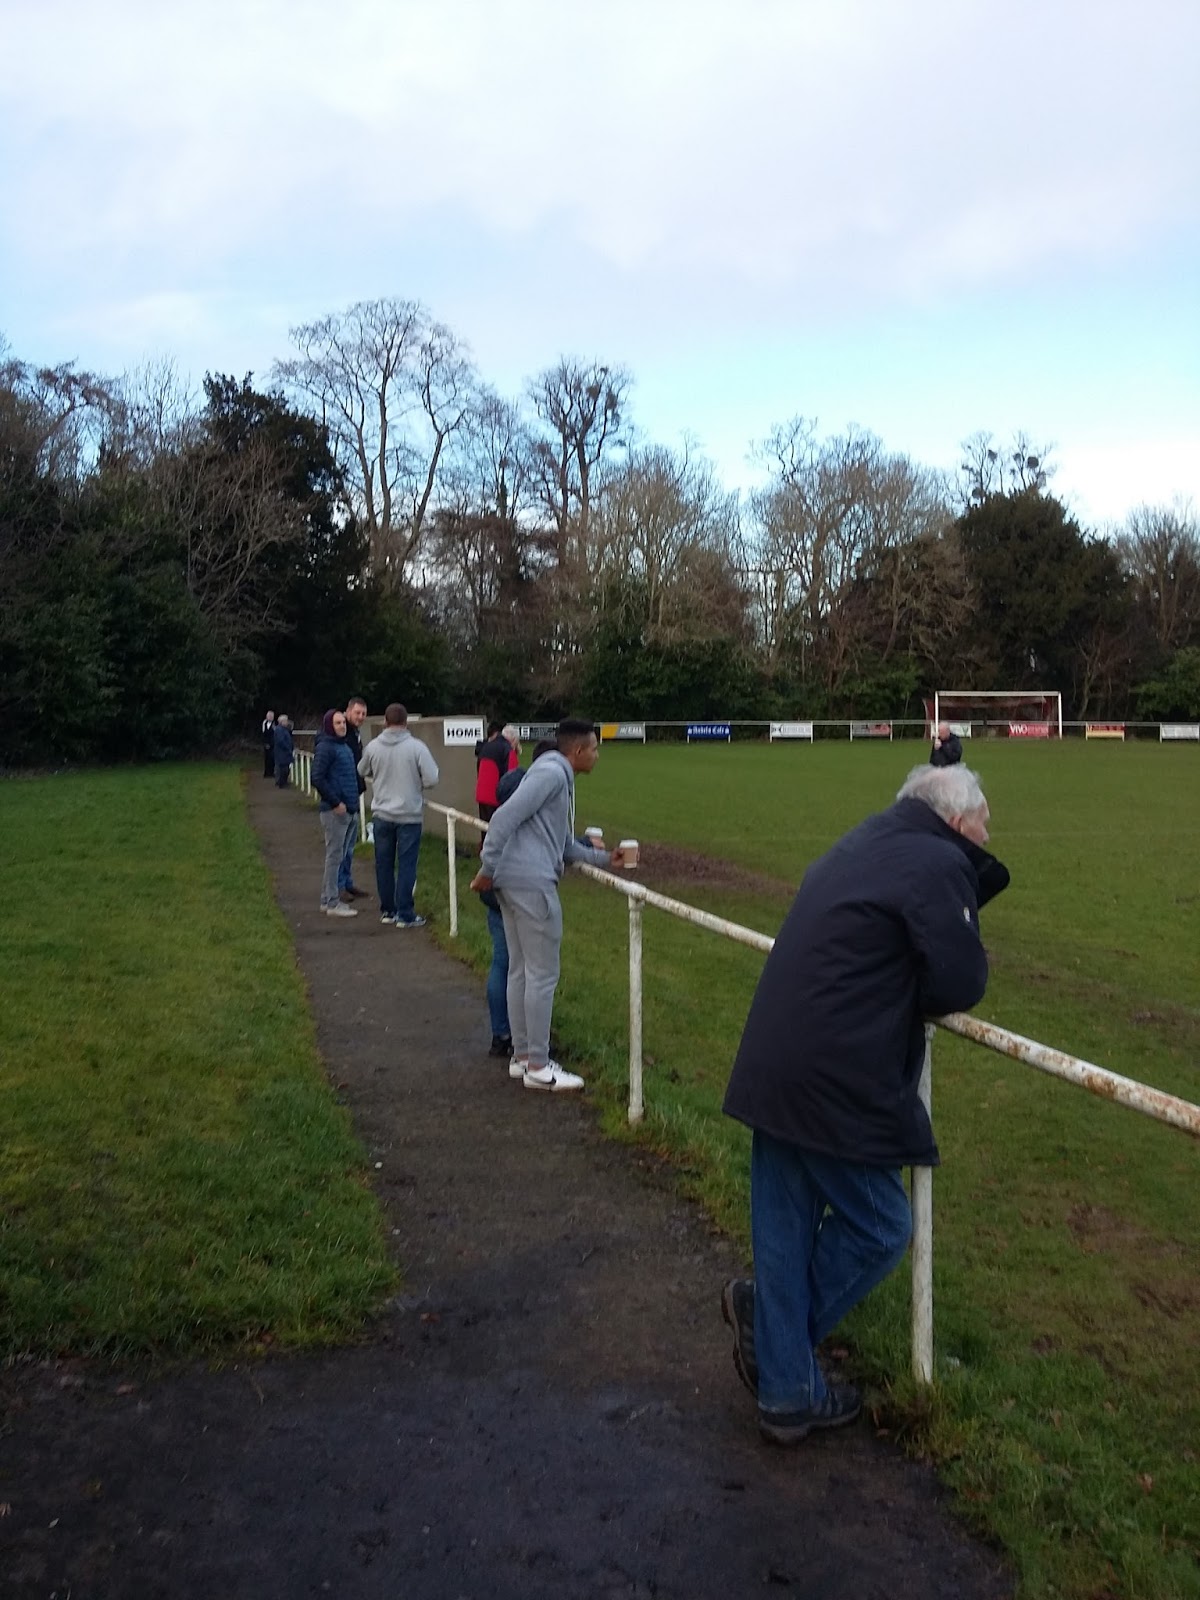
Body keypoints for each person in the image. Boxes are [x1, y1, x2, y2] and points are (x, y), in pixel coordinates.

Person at [720, 764, 1009, 1446]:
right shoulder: (938, 859)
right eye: (983, 823)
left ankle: (787, 1394)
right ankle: (772, 1337)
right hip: (828, 1074)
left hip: (774, 1062)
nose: (987, 835)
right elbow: (959, 981)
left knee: (785, 1227)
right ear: (955, 820)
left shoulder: (864, 839)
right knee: (882, 1224)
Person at [469, 719, 630, 1093]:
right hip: (530, 884)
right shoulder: (553, 774)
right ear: (578, 751)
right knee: (541, 975)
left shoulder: (554, 775)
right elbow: (503, 817)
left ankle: (523, 1057)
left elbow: (563, 845)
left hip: (515, 881)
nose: (597, 756)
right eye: (594, 749)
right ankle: (539, 1067)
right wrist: (487, 869)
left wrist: (605, 859)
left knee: (521, 971)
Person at [358, 703, 440, 927]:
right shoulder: (417, 747)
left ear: (385, 722)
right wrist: (416, 782)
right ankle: (405, 913)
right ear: (406, 722)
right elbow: (432, 778)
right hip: (409, 815)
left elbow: (361, 770)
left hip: (382, 814)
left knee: (383, 864)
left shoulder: (373, 746)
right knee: (406, 865)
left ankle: (388, 911)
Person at [312, 709, 362, 919]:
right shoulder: (326, 747)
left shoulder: (343, 746)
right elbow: (317, 777)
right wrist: (335, 802)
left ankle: (327, 899)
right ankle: (332, 901)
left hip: (349, 808)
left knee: (338, 856)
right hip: (335, 811)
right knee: (334, 857)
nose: (342, 726)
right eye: (338, 723)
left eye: (343, 722)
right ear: (329, 726)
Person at [338, 697, 371, 902]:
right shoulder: (342, 732)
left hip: (354, 793)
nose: (360, 717)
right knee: (340, 847)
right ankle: (339, 886)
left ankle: (347, 882)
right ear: (348, 711)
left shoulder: (355, 733)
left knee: (350, 846)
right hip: (342, 797)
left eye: (363, 714)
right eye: (357, 713)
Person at [475, 721, 520, 824]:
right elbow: (512, 778)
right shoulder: (507, 750)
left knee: (485, 828)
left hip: (481, 794)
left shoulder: (486, 746)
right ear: (513, 740)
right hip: (496, 798)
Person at [272, 714, 294, 788]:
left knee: (286, 769)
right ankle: (282, 783)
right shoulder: (279, 730)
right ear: (282, 721)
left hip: (285, 753)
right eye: (286, 721)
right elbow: (281, 741)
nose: (287, 722)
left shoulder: (284, 729)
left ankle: (284, 782)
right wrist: (288, 748)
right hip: (282, 753)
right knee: (283, 769)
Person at [261, 710, 276, 778]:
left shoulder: (274, 724)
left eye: (271, 716)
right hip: (266, 743)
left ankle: (271, 772)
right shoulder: (264, 723)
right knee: (266, 758)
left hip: (272, 743)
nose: (270, 717)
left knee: (272, 758)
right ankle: (266, 772)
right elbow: (263, 734)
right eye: (268, 716)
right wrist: (265, 743)